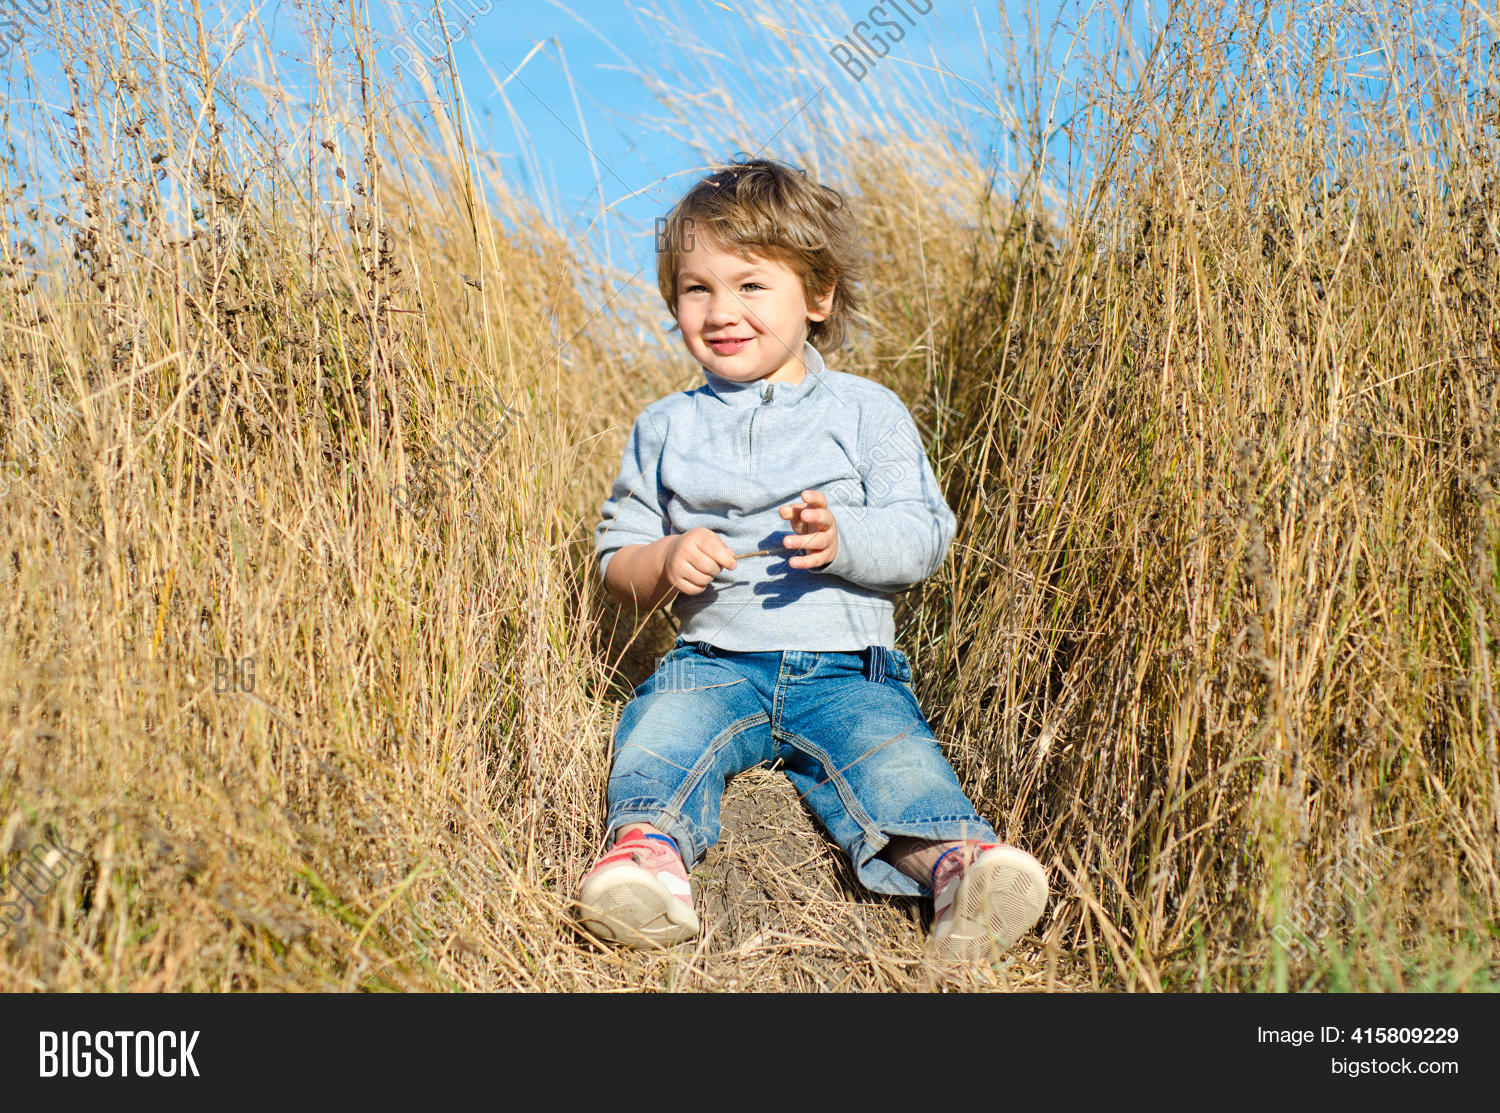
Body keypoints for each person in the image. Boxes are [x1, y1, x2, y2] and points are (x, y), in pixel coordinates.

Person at [574, 157, 1047, 967]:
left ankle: (959, 871)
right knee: (661, 734)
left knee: (891, 761)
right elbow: (616, 557)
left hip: (845, 667)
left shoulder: (865, 411)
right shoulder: (665, 426)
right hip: (712, 661)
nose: (721, 310)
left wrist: (844, 538)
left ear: (817, 295)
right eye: (696, 288)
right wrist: (663, 558)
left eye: (751, 285)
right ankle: (647, 863)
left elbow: (924, 533)